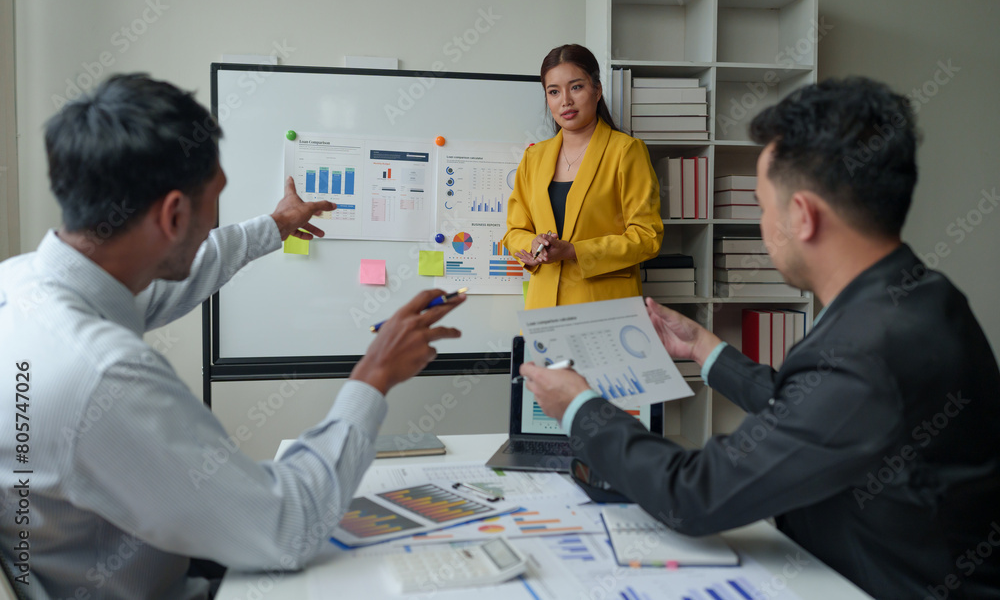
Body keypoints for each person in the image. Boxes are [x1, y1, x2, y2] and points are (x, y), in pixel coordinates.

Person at [522, 77, 1000, 599]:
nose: (761, 221)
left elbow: (694, 495)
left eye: (761, 204)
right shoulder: (921, 297)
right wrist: (705, 349)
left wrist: (579, 406)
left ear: (802, 216)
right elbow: (815, 413)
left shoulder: (872, 349)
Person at [0, 74, 465, 598]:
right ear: (174, 213)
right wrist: (373, 375)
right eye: (216, 197)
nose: (214, 218)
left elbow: (161, 285)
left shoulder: (21, 286)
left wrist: (275, 225)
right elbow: (288, 527)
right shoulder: (103, 378)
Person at [503, 44, 663, 309]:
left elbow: (648, 237)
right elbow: (514, 231)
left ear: (597, 91)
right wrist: (532, 245)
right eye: (553, 92)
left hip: (605, 307)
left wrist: (575, 251)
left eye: (576, 87)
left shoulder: (625, 151)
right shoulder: (534, 158)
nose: (565, 100)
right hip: (544, 307)